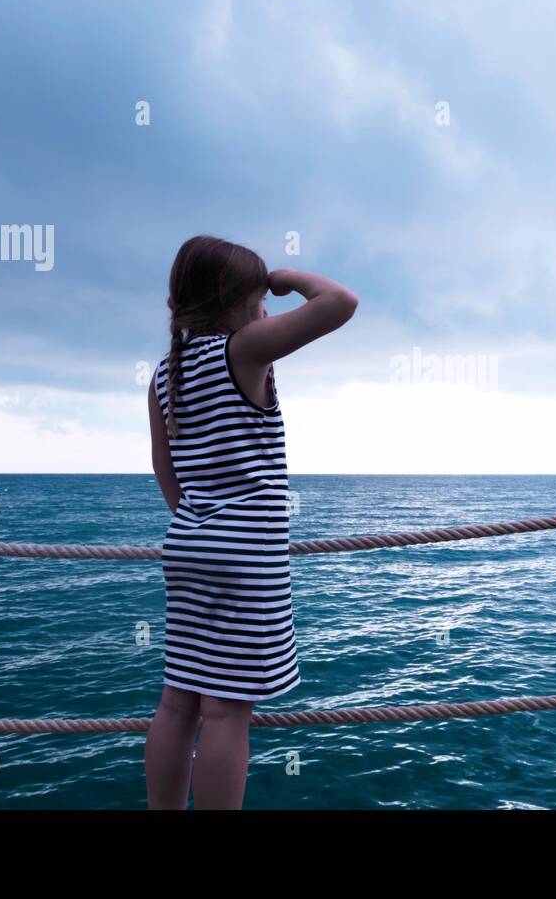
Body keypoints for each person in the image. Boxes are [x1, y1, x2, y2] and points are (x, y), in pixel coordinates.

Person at [144, 235, 357, 809]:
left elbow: (166, 469)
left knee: (178, 702)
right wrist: (287, 277)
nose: (267, 304)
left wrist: (199, 523)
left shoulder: (166, 373)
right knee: (228, 711)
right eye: (260, 294)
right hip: (244, 557)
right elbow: (340, 302)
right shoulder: (244, 348)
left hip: (187, 545)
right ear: (236, 299)